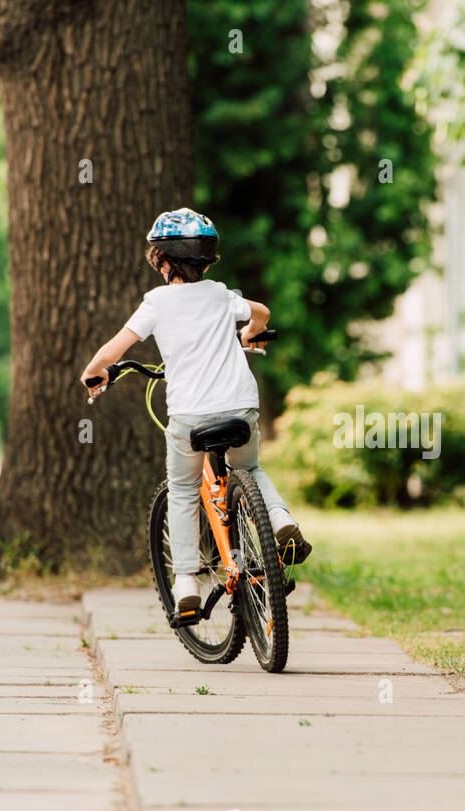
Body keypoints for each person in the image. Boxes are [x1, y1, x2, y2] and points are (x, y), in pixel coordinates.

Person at [80, 208, 312, 614]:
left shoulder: (155, 302)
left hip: (190, 416)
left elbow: (115, 350)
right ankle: (277, 520)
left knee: (185, 491)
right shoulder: (222, 295)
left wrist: (95, 372)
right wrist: (250, 333)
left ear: (164, 262)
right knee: (252, 469)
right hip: (240, 406)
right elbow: (261, 313)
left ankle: (186, 580)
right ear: (206, 261)